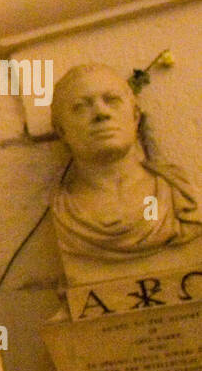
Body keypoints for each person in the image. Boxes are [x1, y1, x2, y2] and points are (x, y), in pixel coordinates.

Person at [49, 63, 202, 285]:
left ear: (135, 116)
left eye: (111, 100)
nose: (101, 113)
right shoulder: (67, 215)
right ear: (61, 131)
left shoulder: (180, 197)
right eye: (80, 106)